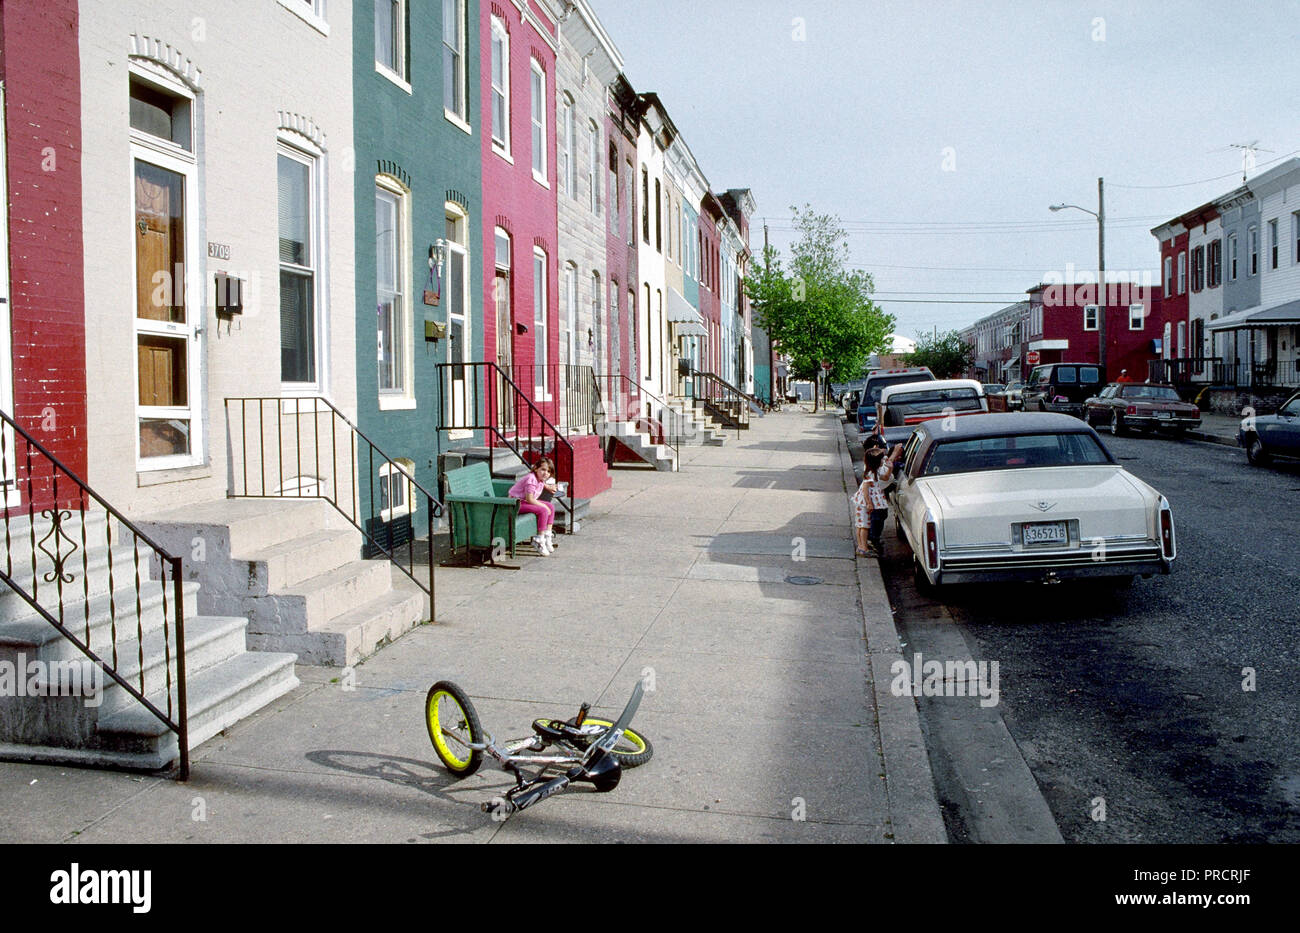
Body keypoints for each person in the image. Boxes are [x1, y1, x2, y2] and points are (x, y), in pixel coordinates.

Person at [857, 442, 904, 558]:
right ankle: (863, 547)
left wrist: (889, 468)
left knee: (864, 524)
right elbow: (865, 489)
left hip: (874, 499)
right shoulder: (869, 474)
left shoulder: (876, 471)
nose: (884, 461)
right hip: (866, 501)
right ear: (876, 463)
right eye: (881, 460)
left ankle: (862, 546)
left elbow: (886, 477)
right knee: (863, 525)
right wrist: (868, 503)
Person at [509, 457, 557, 556]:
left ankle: (547, 536)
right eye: (543, 469)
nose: (546, 473)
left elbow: (541, 484)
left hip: (523, 502)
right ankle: (539, 539)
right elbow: (530, 499)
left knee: (551, 507)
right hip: (514, 504)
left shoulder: (539, 478)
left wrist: (548, 487)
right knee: (543, 510)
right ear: (535, 468)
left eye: (548, 471)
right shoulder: (531, 479)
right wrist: (544, 506)